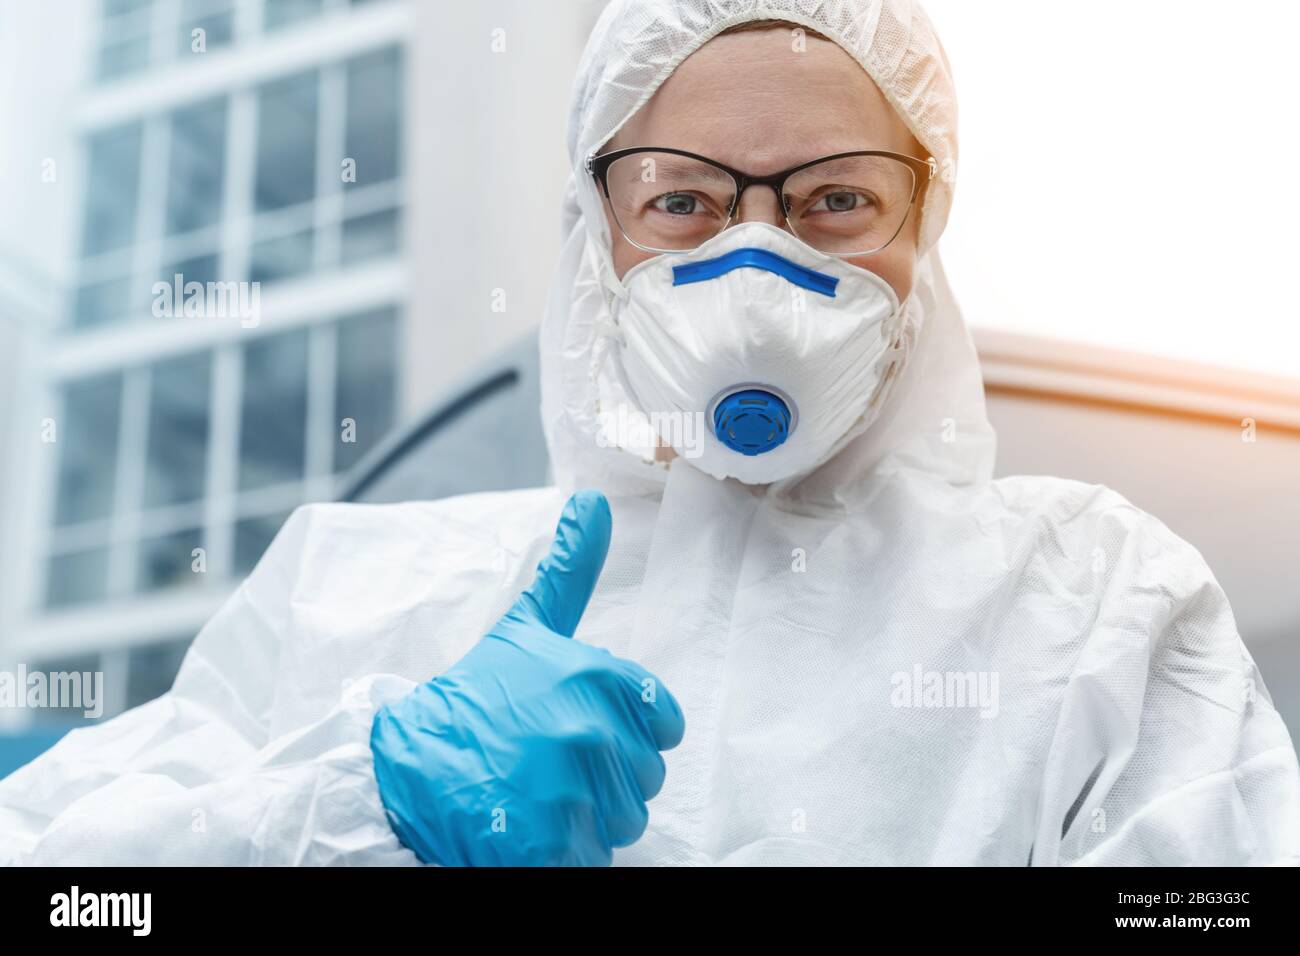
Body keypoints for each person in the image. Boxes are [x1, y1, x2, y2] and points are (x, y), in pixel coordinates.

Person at [2, 0, 1297, 867]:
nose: (759, 264)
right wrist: (363, 800)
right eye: (683, 200)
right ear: (598, 241)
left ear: (924, 234)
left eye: (836, 200)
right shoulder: (357, 589)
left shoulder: (1097, 606)